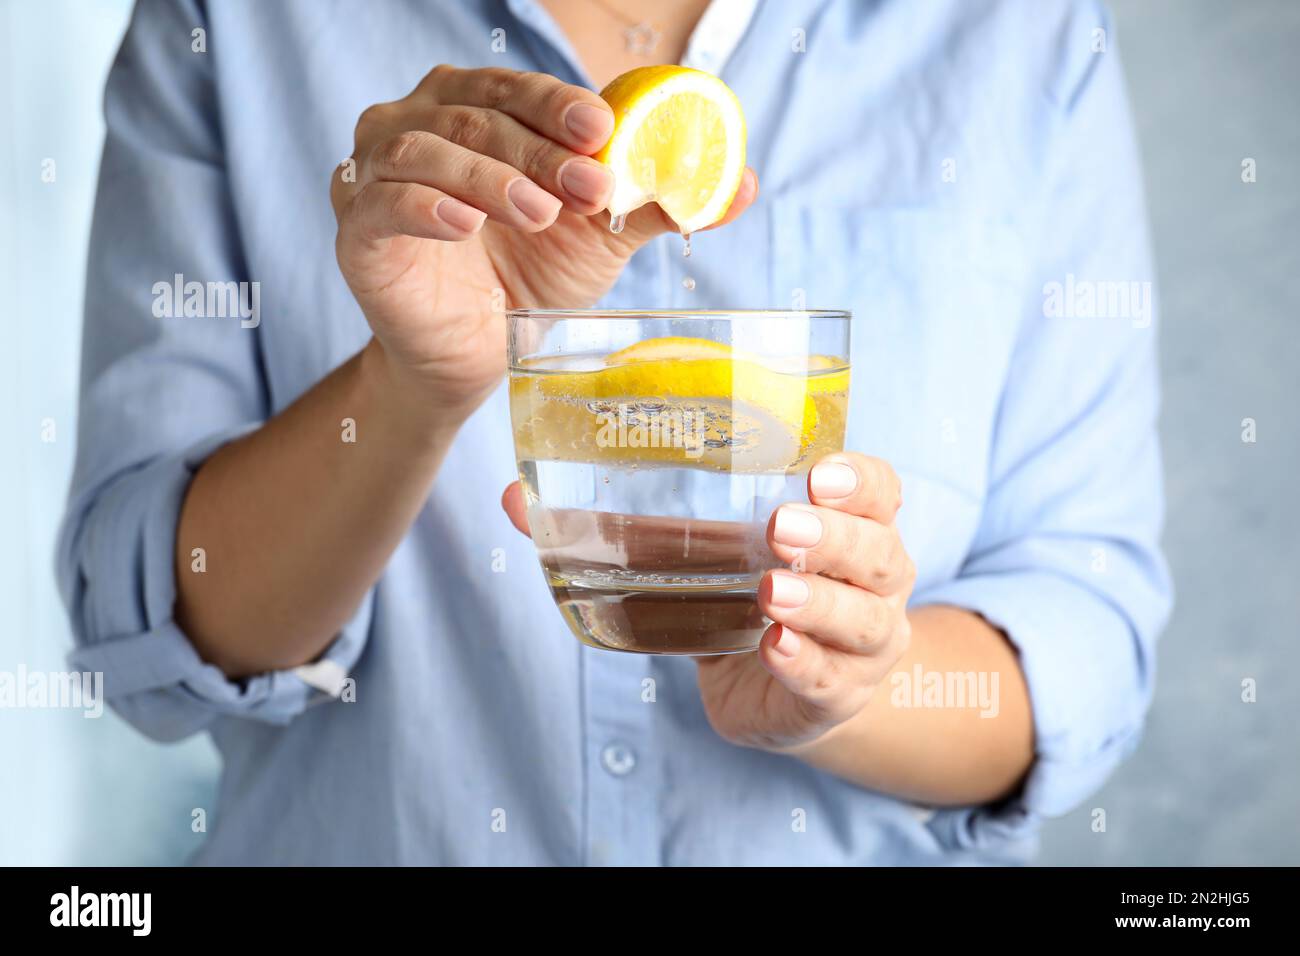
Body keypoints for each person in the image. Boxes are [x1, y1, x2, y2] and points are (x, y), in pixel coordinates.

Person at [57, 0, 1170, 865]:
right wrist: (413, 385)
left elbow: (1082, 624)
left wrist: (854, 690)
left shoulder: (1018, 34)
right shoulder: (235, 24)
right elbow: (154, 624)